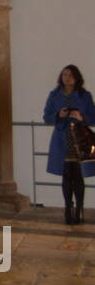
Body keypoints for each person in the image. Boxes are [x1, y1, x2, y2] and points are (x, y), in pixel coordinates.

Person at [43, 65, 95, 224]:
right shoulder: (54, 95)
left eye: (71, 74)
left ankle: (79, 210)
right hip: (62, 139)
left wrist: (81, 117)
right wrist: (59, 115)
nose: (67, 77)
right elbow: (46, 117)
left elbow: (93, 118)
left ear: (77, 77)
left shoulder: (84, 95)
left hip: (80, 139)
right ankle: (68, 209)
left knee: (78, 176)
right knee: (66, 176)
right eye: (64, 74)